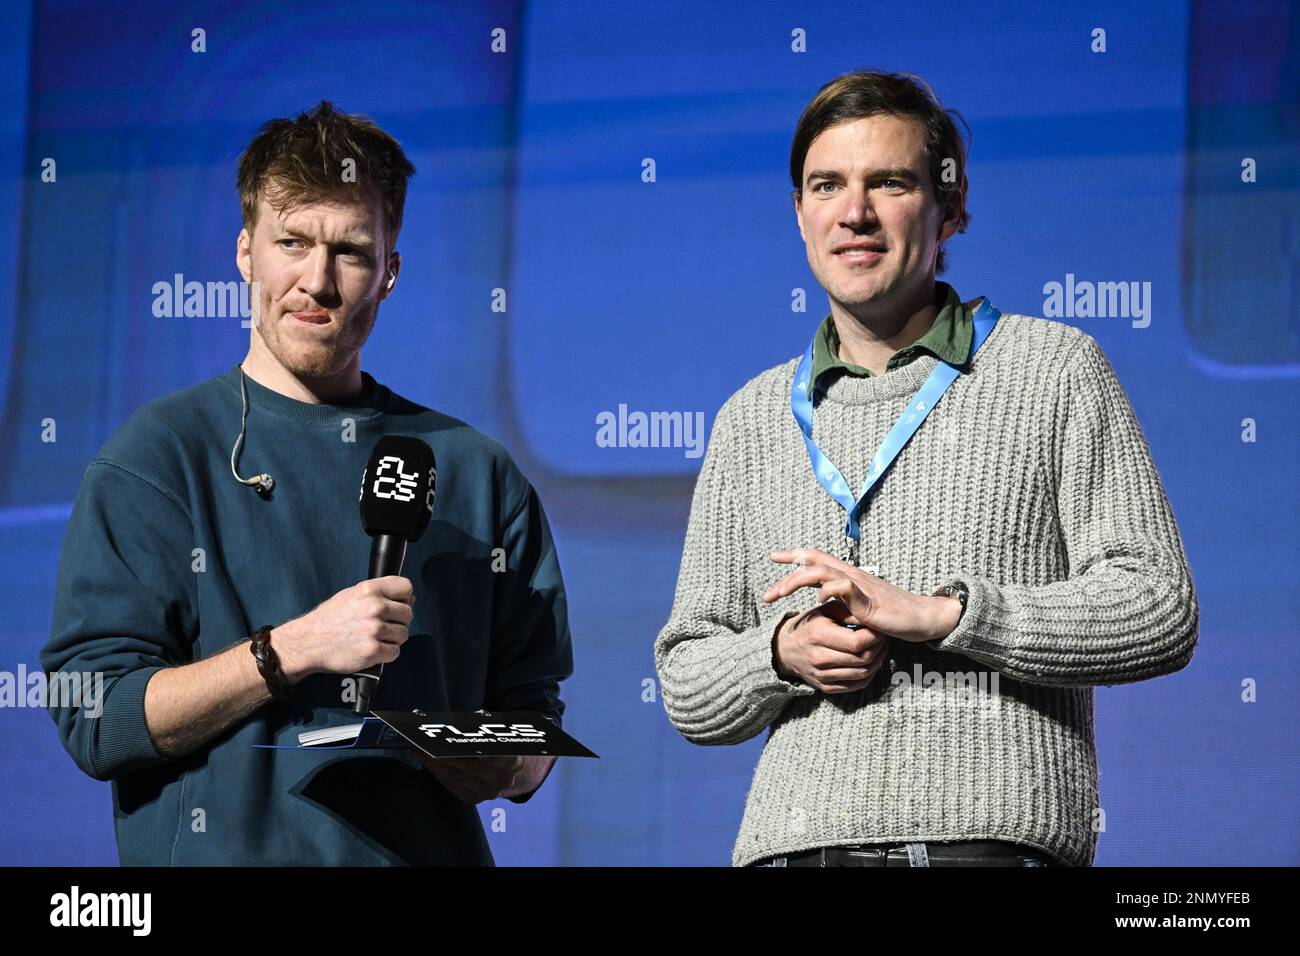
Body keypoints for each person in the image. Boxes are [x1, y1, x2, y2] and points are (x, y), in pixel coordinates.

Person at [653, 71, 1198, 868]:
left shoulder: (1054, 370)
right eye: (827, 185)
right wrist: (781, 652)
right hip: (795, 847)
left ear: (952, 208)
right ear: (800, 214)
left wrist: (947, 617)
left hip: (993, 844)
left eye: (891, 183)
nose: (855, 212)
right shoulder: (751, 417)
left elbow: (1157, 605)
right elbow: (687, 675)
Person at [41, 101, 574, 866]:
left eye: (351, 251)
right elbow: (96, 718)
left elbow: (533, 721)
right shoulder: (159, 458)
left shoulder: (476, 472)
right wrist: (288, 651)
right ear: (245, 254)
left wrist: (504, 764)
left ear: (389, 272)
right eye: (291, 242)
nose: (317, 282)